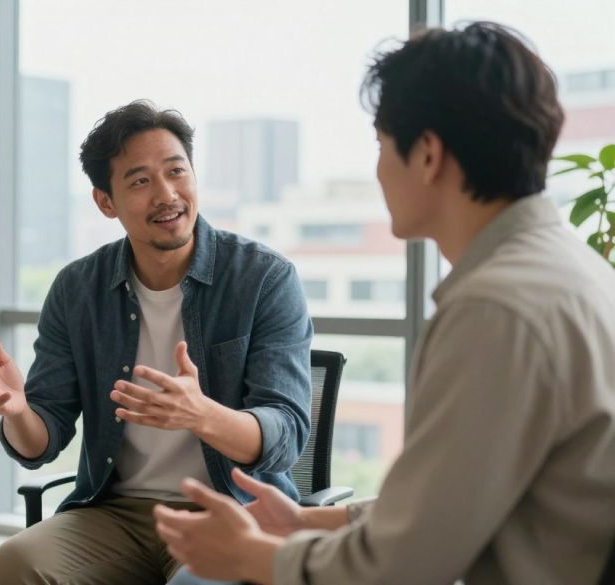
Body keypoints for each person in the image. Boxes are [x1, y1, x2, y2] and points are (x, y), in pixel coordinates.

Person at [156, 22, 615, 585]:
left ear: (427, 155)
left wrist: (251, 556)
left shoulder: (496, 310)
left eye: (380, 145)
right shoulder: (572, 271)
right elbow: (455, 499)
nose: (376, 170)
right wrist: (311, 519)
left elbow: (405, 565)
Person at [0, 100, 313, 585]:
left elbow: (287, 433)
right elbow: (42, 442)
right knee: (13, 566)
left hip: (228, 509)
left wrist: (201, 414)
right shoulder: (76, 289)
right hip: (114, 513)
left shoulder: (264, 278)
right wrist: (19, 411)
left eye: (177, 172)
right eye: (140, 181)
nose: (167, 194)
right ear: (105, 202)